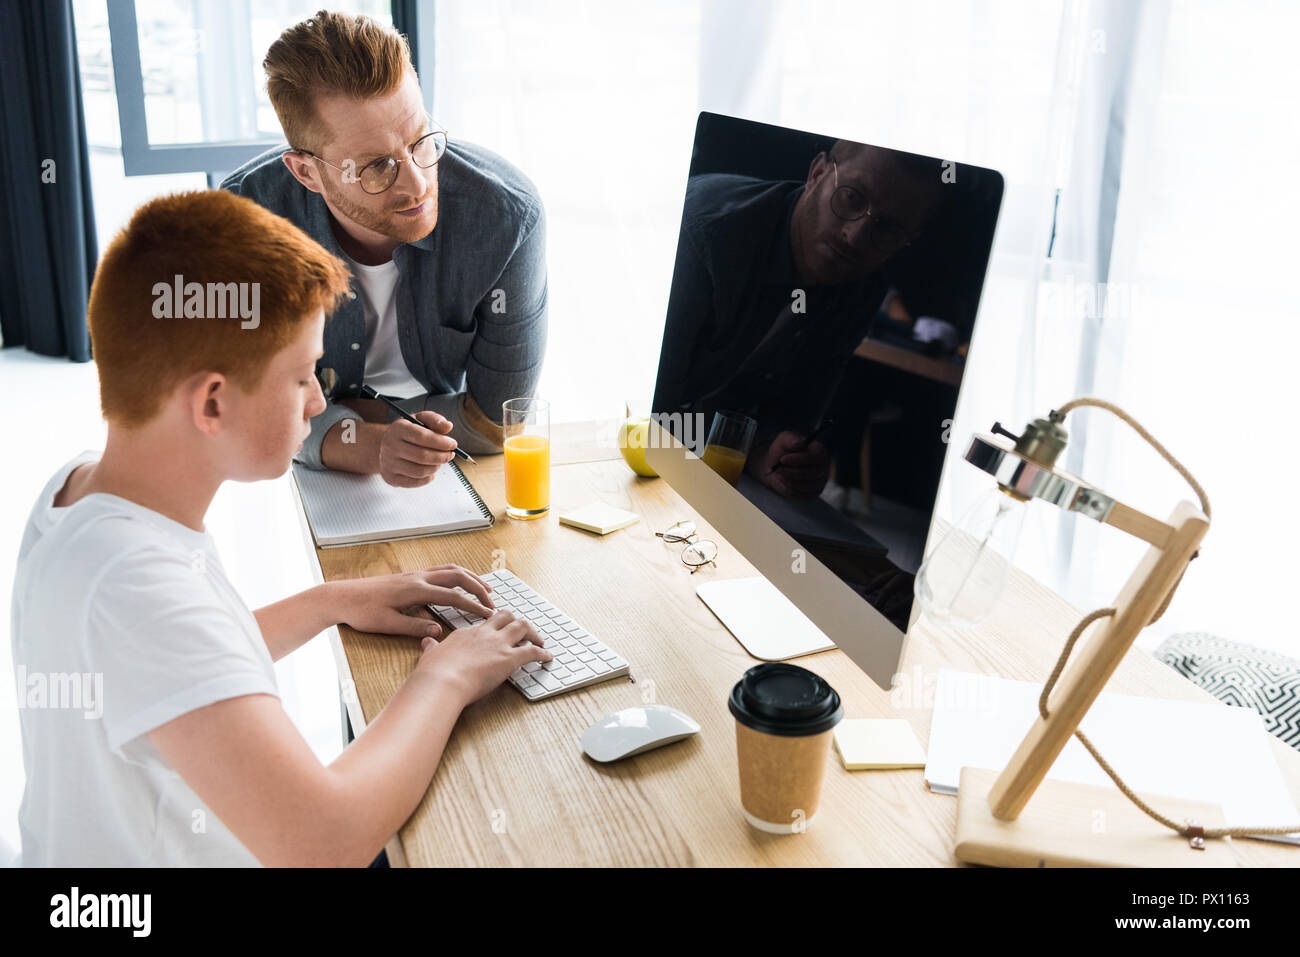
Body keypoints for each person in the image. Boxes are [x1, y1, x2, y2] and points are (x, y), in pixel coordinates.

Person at [11, 190, 552, 866]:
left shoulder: (86, 490)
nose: (321, 401)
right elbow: (325, 841)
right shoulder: (135, 587)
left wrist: (336, 600)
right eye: (300, 378)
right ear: (212, 402)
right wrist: (445, 676)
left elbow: (184, 663)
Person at [223, 11, 546, 488]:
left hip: (442, 481)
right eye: (376, 166)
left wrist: (334, 419)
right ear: (306, 173)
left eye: (421, 140)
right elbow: (251, 420)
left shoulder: (505, 215)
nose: (418, 184)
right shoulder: (243, 223)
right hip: (282, 486)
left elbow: (499, 421)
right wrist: (371, 445)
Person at [654, 140, 944, 499]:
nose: (854, 237)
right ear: (817, 174)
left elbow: (792, 416)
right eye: (852, 197)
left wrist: (776, 455)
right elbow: (651, 413)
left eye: (886, 228)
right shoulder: (706, 234)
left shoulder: (863, 290)